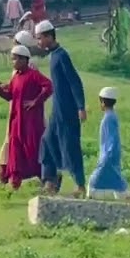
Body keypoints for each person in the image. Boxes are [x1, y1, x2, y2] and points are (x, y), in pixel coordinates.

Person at [34, 19, 87, 196]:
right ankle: (50, 181)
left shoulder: (62, 56)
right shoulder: (53, 55)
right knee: (47, 142)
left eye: (40, 38)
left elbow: (75, 81)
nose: (38, 42)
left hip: (68, 112)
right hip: (56, 112)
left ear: (49, 36)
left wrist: (81, 106)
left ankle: (80, 185)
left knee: (70, 147)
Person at [0, 45, 53, 191]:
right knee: (15, 151)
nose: (13, 62)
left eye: (14, 59)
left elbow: (49, 86)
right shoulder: (16, 77)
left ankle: (46, 178)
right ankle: (15, 182)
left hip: (31, 121)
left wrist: (36, 101)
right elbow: (10, 96)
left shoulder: (33, 75)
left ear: (23, 59)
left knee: (33, 149)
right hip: (17, 120)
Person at [87, 86, 130, 202]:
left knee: (96, 178)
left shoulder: (108, 118)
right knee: (116, 177)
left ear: (102, 102)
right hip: (110, 153)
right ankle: (126, 196)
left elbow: (111, 138)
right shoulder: (111, 116)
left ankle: (90, 195)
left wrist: (107, 154)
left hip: (108, 154)